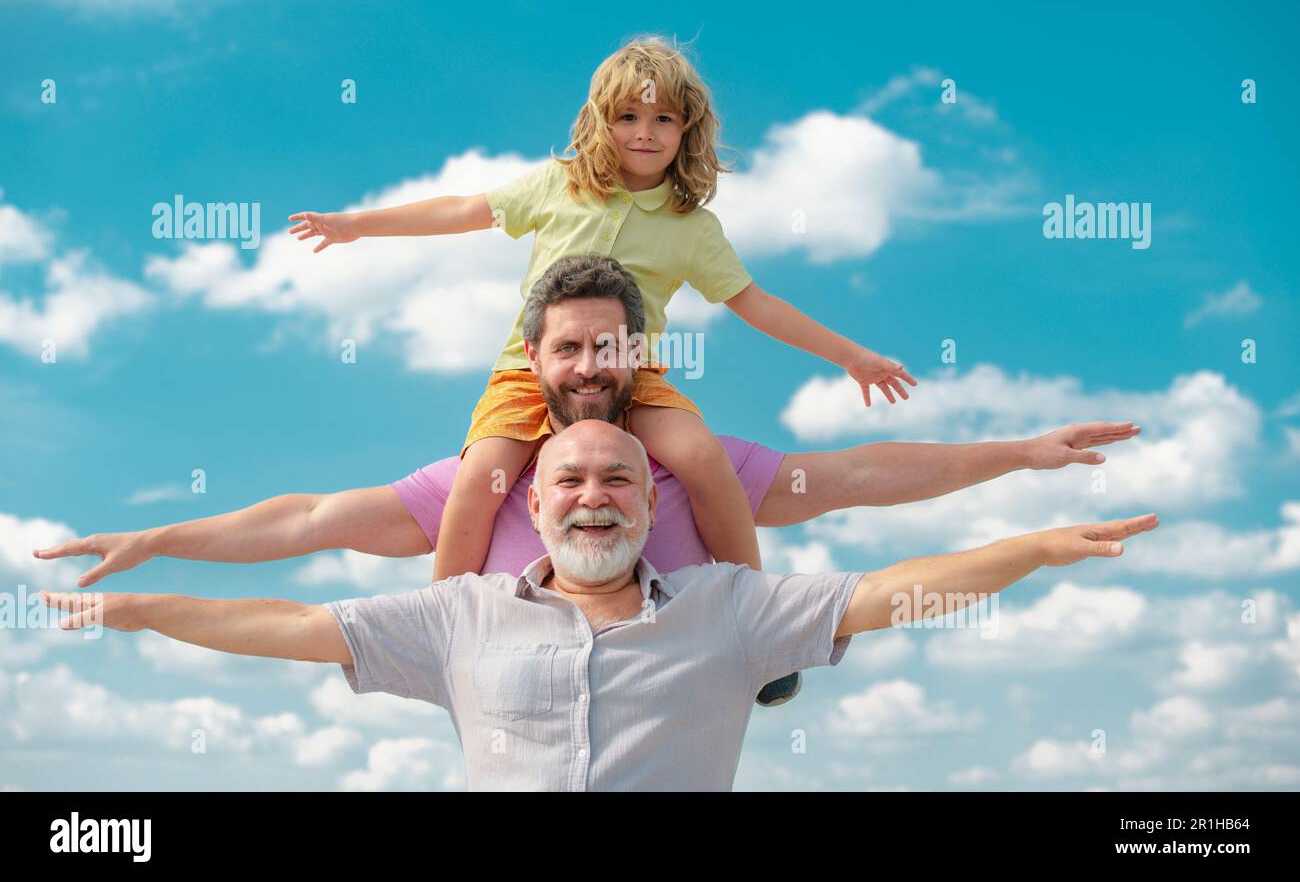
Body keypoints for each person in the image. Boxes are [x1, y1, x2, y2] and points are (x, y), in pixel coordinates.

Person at [34, 256, 1141, 709]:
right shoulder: (487, 468)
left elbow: (852, 475)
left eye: (611, 349)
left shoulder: (688, 459)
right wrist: (157, 538)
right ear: (535, 360)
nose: (590, 369)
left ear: (639, 357)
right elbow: (308, 519)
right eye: (567, 350)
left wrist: (1017, 451)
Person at [40, 419, 1159, 791]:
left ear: (653, 493)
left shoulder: (731, 607)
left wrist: (1036, 539)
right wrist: (149, 604)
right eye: (568, 481)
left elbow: (890, 583)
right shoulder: (460, 612)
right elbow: (293, 606)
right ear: (533, 500)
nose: (593, 495)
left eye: (619, 478)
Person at [286, 35, 918, 584]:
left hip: (633, 377)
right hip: (528, 372)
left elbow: (756, 304)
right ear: (599, 121)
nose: (645, 132)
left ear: (686, 132)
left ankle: (752, 602)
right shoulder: (557, 184)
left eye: (664, 119)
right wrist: (355, 226)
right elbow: (460, 210)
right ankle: (441, 614)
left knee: (702, 457)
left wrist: (852, 357)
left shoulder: (691, 226)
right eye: (628, 116)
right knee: (481, 478)